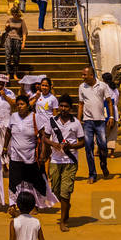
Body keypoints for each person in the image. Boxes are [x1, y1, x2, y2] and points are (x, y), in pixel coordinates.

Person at [4, 93, 50, 209]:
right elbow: (8, 132)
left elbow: (43, 135)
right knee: (14, 180)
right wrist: (5, 147)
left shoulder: (35, 117)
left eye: (22, 104)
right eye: (18, 104)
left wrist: (43, 152)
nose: (19, 106)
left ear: (27, 105)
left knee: (30, 181)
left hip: (30, 156)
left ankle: (33, 204)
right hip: (15, 155)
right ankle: (13, 205)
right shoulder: (13, 116)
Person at [45, 93, 83, 230]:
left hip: (70, 161)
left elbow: (83, 142)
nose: (63, 108)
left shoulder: (76, 123)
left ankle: (63, 221)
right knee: (55, 190)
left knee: (65, 191)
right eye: (61, 105)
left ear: (70, 108)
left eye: (66, 106)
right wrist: (52, 144)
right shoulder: (51, 121)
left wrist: (71, 146)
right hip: (55, 160)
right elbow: (45, 137)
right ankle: (66, 206)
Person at [77, 65, 113, 183]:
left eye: (84, 75)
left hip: (101, 121)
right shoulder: (82, 87)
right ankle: (92, 174)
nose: (82, 77)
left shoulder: (103, 86)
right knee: (88, 148)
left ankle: (103, 164)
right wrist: (78, 120)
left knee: (103, 146)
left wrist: (111, 116)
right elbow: (81, 104)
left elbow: (109, 102)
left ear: (91, 75)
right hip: (87, 122)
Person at [0, 5, 28, 79]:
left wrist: (23, 43)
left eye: (15, 13)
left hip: (18, 39)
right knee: (8, 57)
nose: (14, 15)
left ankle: (15, 73)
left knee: (16, 58)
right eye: (13, 13)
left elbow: (24, 32)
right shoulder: (9, 20)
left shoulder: (21, 21)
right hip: (9, 38)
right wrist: (6, 27)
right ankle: (8, 73)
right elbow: (6, 30)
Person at [102, 71, 121, 159]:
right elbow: (116, 101)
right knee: (113, 133)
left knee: (103, 132)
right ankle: (111, 152)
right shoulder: (115, 89)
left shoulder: (103, 87)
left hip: (106, 111)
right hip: (115, 111)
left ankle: (100, 150)